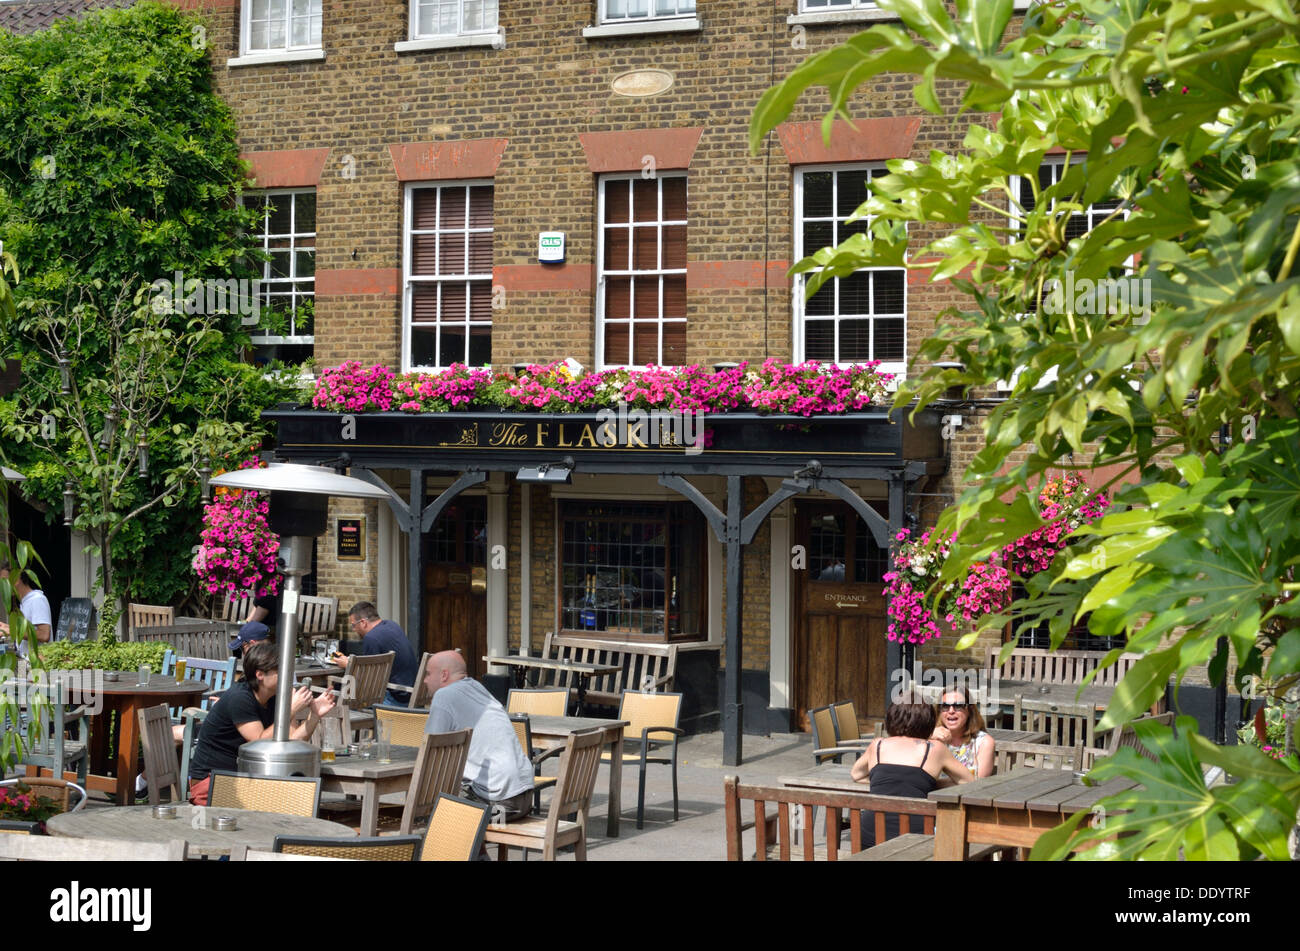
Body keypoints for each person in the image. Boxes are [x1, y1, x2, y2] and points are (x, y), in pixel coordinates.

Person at [186, 640, 335, 805]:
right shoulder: (240, 698)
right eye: (281, 671)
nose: (288, 676)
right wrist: (290, 710)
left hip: (247, 779)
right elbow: (258, 741)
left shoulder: (275, 696)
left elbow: (293, 742)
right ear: (260, 675)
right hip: (212, 783)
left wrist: (314, 716)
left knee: (301, 799)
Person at [421, 650, 535, 823]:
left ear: (444, 675)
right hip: (524, 802)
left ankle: (456, 847)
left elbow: (429, 752)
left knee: (436, 804)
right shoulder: (477, 688)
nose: (425, 680)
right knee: (458, 790)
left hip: (501, 809)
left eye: (428, 674)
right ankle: (478, 850)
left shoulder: (444, 696)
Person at [850, 693, 974, 844]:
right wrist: (927, 784)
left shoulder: (878, 744)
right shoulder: (935, 748)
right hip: (916, 837)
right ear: (928, 722)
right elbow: (968, 781)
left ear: (891, 718)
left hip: (870, 835)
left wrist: (885, 781)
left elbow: (856, 774)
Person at [332, 602, 418, 705]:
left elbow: (369, 680)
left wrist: (348, 665)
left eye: (354, 625)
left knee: (340, 692)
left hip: (395, 699)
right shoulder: (392, 625)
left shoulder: (371, 638)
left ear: (363, 622)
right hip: (410, 694)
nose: (354, 629)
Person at [930, 685, 996, 778]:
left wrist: (936, 784)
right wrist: (927, 736)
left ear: (970, 710)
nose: (951, 711)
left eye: (958, 706)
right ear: (939, 710)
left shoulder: (983, 742)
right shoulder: (930, 738)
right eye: (945, 706)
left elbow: (977, 783)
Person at [0, 559, 52, 657]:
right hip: (26, 662)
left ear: (16, 578)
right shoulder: (25, 602)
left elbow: (44, 635)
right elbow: (30, 629)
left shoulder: (37, 600)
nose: (2, 587)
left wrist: (11, 631)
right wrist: (6, 627)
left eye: (4, 582)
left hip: (36, 666)